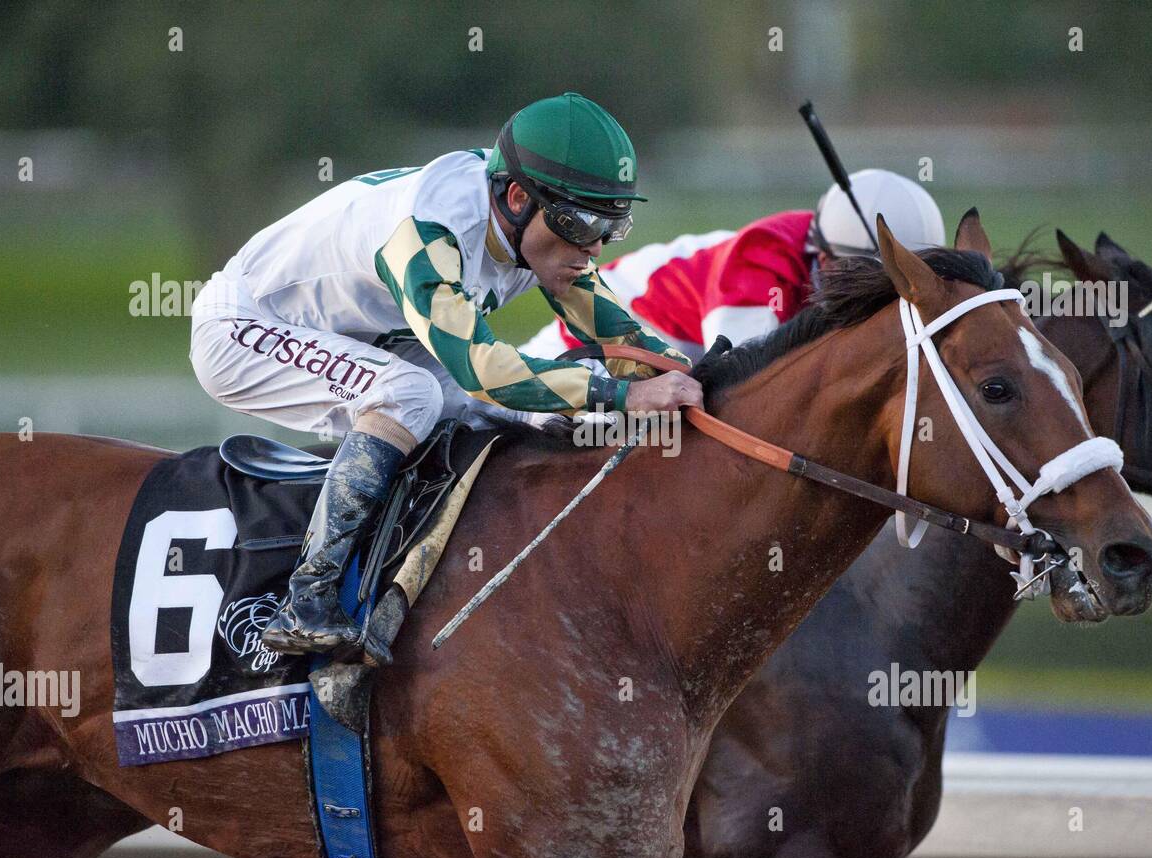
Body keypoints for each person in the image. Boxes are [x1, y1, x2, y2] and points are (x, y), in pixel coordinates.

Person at [189, 92, 698, 656]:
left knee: (517, 409)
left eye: (612, 224)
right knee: (410, 395)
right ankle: (308, 597)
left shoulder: (538, 229)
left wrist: (696, 378)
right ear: (515, 197)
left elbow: (622, 339)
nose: (594, 244)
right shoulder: (429, 229)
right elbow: (480, 369)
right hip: (245, 324)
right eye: (580, 221)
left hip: (366, 335)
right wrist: (620, 396)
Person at [521, 169, 946, 364]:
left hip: (669, 357)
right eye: (878, 284)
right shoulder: (759, 265)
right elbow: (739, 385)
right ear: (830, 258)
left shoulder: (828, 235)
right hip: (583, 350)